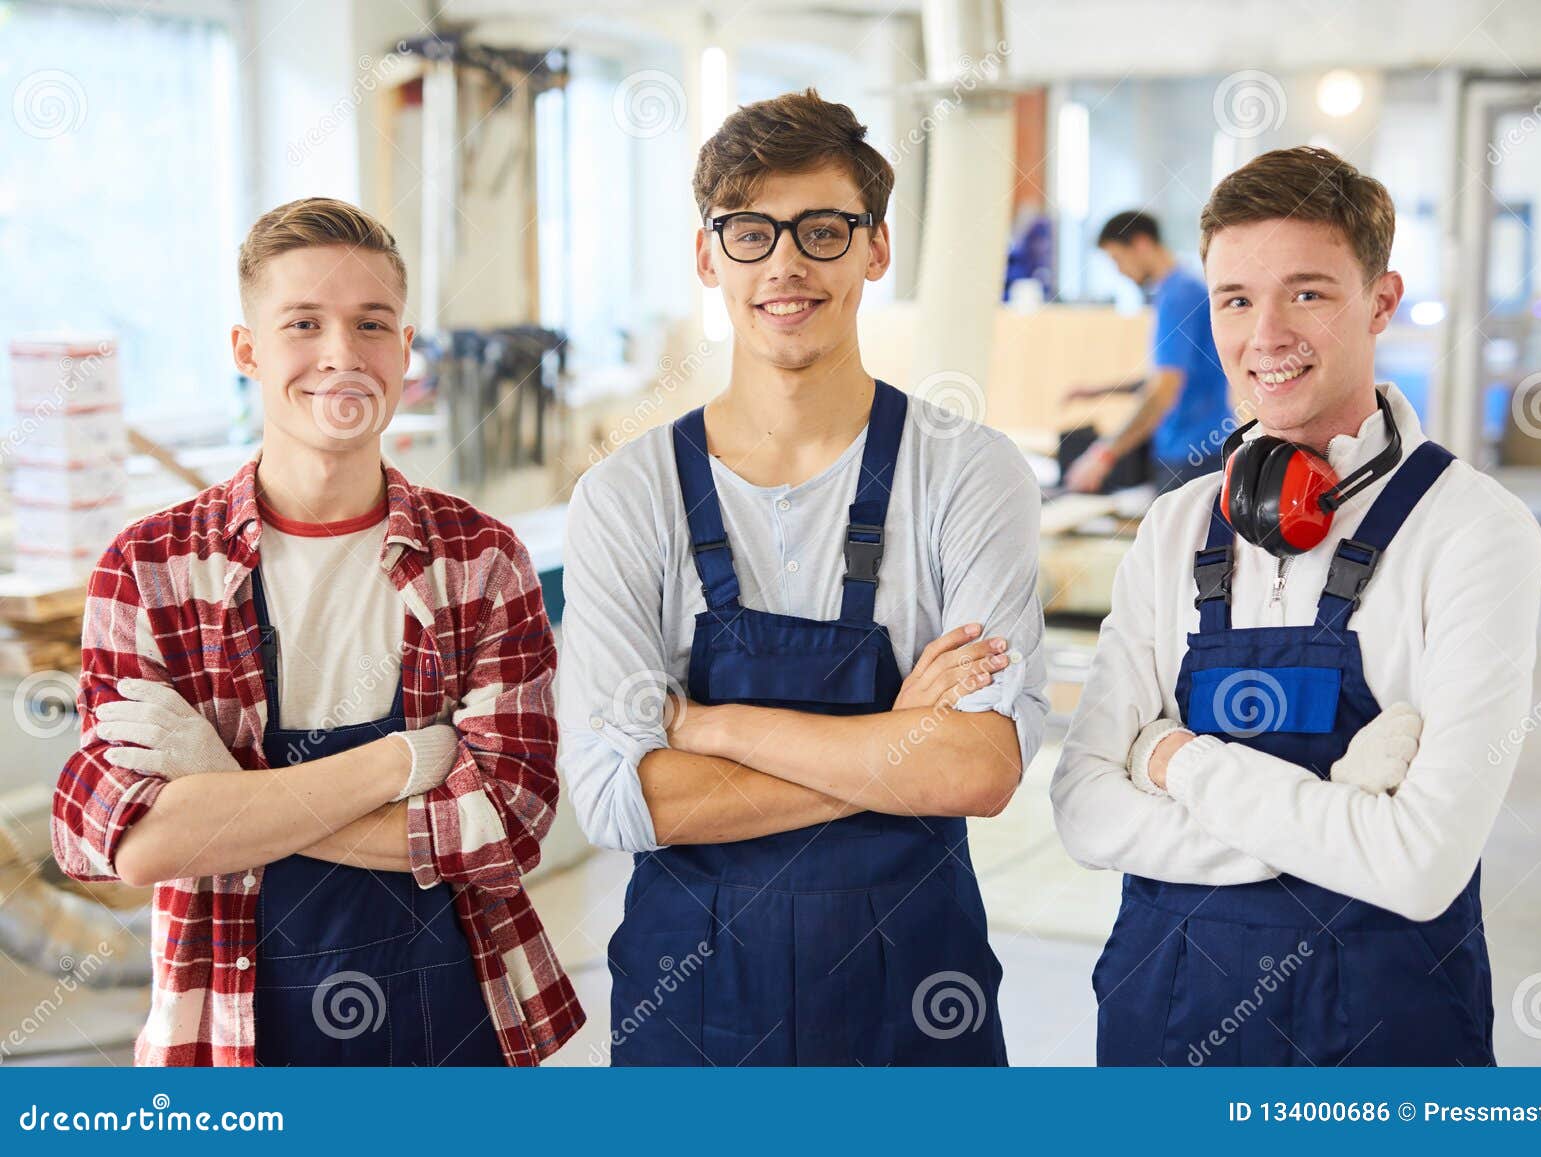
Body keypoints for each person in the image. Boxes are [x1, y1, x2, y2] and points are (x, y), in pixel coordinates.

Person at [556, 89, 1049, 1066]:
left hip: (914, 1009)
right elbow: (621, 802)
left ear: (875, 248)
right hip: (690, 1008)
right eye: (750, 232)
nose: (785, 262)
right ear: (708, 255)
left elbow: (975, 768)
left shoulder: (966, 471)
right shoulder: (626, 496)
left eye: (822, 230)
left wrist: (703, 725)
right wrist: (888, 749)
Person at [51, 198, 582, 1066]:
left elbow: (506, 825)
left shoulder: (481, 560)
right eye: (304, 323)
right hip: (233, 1025)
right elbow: (127, 842)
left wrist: (223, 790)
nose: (341, 354)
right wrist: (405, 763)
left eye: (372, 323)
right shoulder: (148, 567)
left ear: (406, 352)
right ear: (247, 350)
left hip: (454, 1015)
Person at [1051, 147, 1541, 1066]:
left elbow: (1419, 864)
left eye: (1308, 292)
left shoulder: (1476, 530)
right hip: (1163, 1024)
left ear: (1382, 301)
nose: (1265, 333)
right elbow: (1084, 810)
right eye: (1236, 299)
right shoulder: (1174, 528)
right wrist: (1338, 814)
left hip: (1384, 1043)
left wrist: (1177, 760)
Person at [1064, 210, 1232, 494]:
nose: (1118, 271)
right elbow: (1168, 377)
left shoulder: (1179, 297)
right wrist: (1098, 391)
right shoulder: (1179, 290)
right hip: (1195, 450)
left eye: (1117, 259)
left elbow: (1163, 390)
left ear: (1141, 244)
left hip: (1191, 456)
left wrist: (1103, 454)